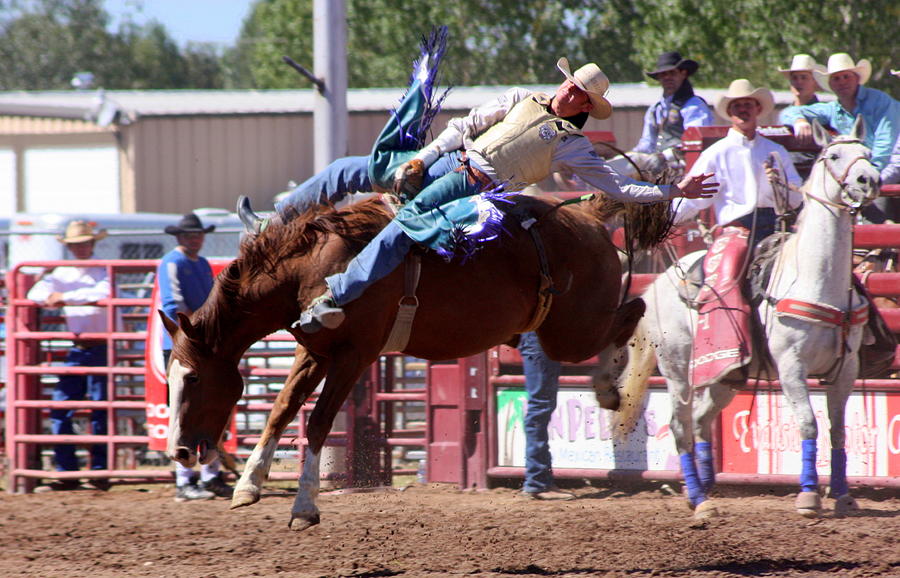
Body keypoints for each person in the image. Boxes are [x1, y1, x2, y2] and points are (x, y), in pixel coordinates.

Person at [298, 57, 717, 333]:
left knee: (408, 223)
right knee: (353, 169)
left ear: (585, 105)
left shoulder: (571, 143)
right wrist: (423, 159)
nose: (569, 93)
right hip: (451, 159)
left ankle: (338, 294)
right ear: (565, 82)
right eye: (571, 85)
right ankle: (280, 216)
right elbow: (466, 125)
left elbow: (616, 186)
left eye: (579, 95)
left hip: (479, 188)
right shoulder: (523, 97)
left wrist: (672, 189)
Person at [673, 79, 802, 390]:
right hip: (738, 230)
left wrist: (780, 183)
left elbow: (798, 198)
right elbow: (693, 195)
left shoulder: (775, 151)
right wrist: (666, 219)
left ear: (758, 110)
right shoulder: (717, 153)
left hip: (777, 227)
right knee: (726, 277)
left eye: (748, 104)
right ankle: (725, 354)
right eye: (737, 106)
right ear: (730, 112)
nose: (744, 109)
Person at [28, 221, 112, 491]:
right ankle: (68, 472)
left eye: (85, 243)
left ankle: (99, 472)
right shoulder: (62, 271)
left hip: (100, 346)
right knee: (62, 408)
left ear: (92, 244)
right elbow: (35, 293)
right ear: (70, 246)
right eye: (76, 244)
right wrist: (58, 297)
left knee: (101, 411)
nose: (81, 248)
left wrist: (63, 297)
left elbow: (102, 293)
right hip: (79, 347)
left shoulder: (102, 267)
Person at [158, 213, 234, 502]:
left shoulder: (200, 264)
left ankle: (209, 475)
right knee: (185, 409)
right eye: (190, 235)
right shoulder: (172, 262)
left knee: (206, 408)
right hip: (185, 345)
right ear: (179, 237)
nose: (195, 239)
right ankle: (186, 479)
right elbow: (172, 303)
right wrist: (196, 333)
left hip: (199, 345)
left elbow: (207, 302)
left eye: (198, 234)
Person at [781, 53, 900, 221]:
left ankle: (883, 241)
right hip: (855, 177)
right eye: (836, 78)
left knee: (876, 209)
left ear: (857, 78)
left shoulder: (880, 101)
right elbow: (789, 112)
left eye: (846, 77)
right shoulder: (832, 109)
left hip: (881, 174)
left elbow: (885, 146)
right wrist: (799, 120)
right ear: (831, 84)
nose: (842, 82)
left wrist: (869, 176)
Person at [607, 51, 714, 177]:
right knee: (626, 161)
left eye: (672, 73)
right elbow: (646, 144)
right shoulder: (655, 110)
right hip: (659, 165)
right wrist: (631, 155)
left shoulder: (694, 105)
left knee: (632, 164)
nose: (667, 77)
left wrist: (664, 156)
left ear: (683, 73)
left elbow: (696, 141)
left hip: (684, 165)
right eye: (663, 74)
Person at [777, 54, 826, 118]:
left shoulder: (823, 113)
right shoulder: (784, 114)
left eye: (804, 77)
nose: (799, 82)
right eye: (794, 78)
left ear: (815, 82)